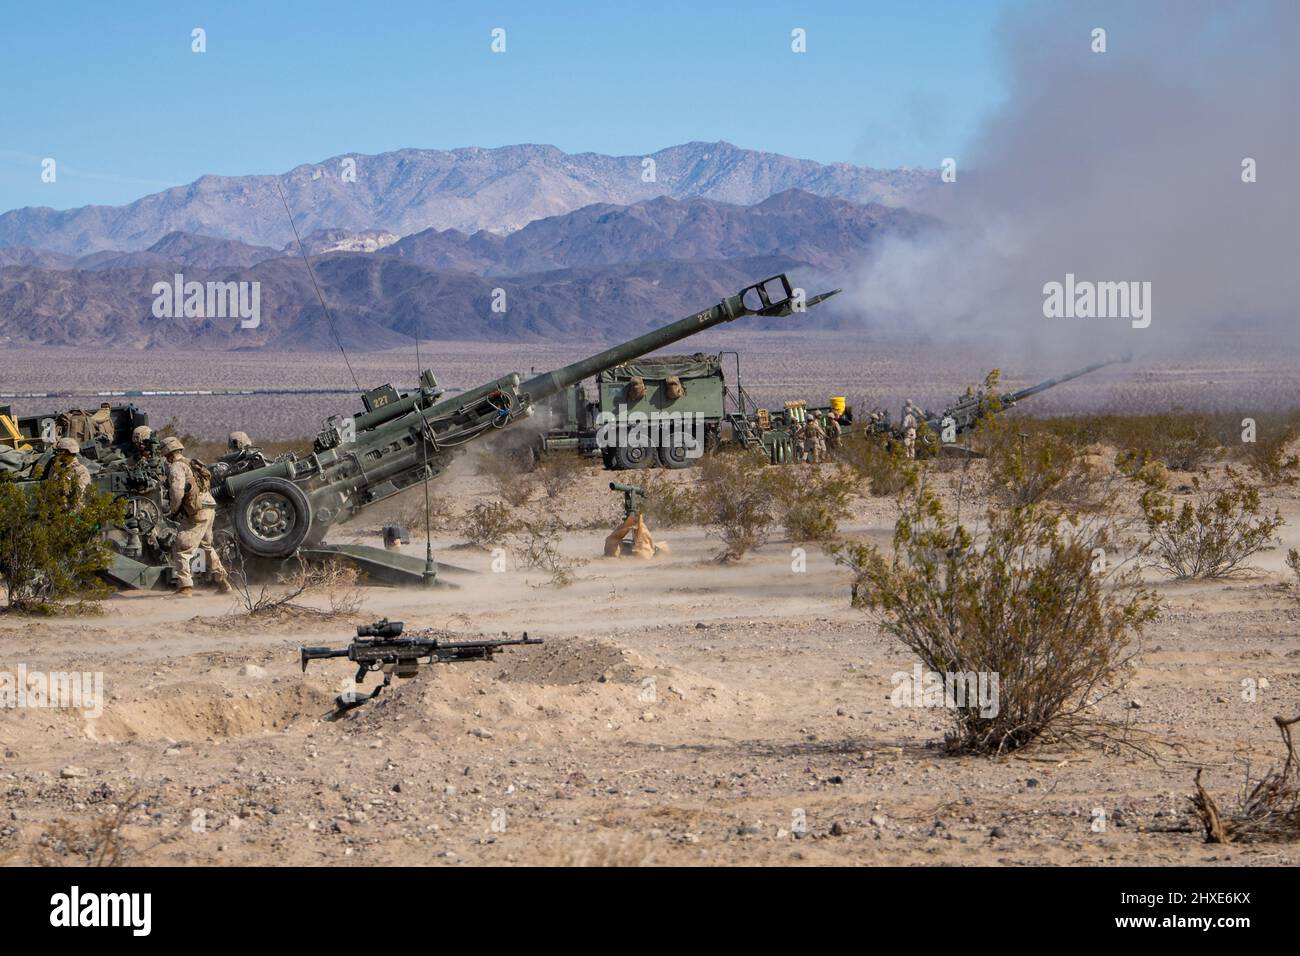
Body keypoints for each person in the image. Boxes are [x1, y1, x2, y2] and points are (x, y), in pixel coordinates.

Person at [161, 436, 231, 596]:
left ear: (167, 454)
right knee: (206, 546)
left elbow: (177, 492)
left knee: (181, 547)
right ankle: (223, 583)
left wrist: (173, 510)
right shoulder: (191, 463)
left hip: (197, 511)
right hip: (209, 507)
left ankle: (185, 587)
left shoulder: (177, 467)